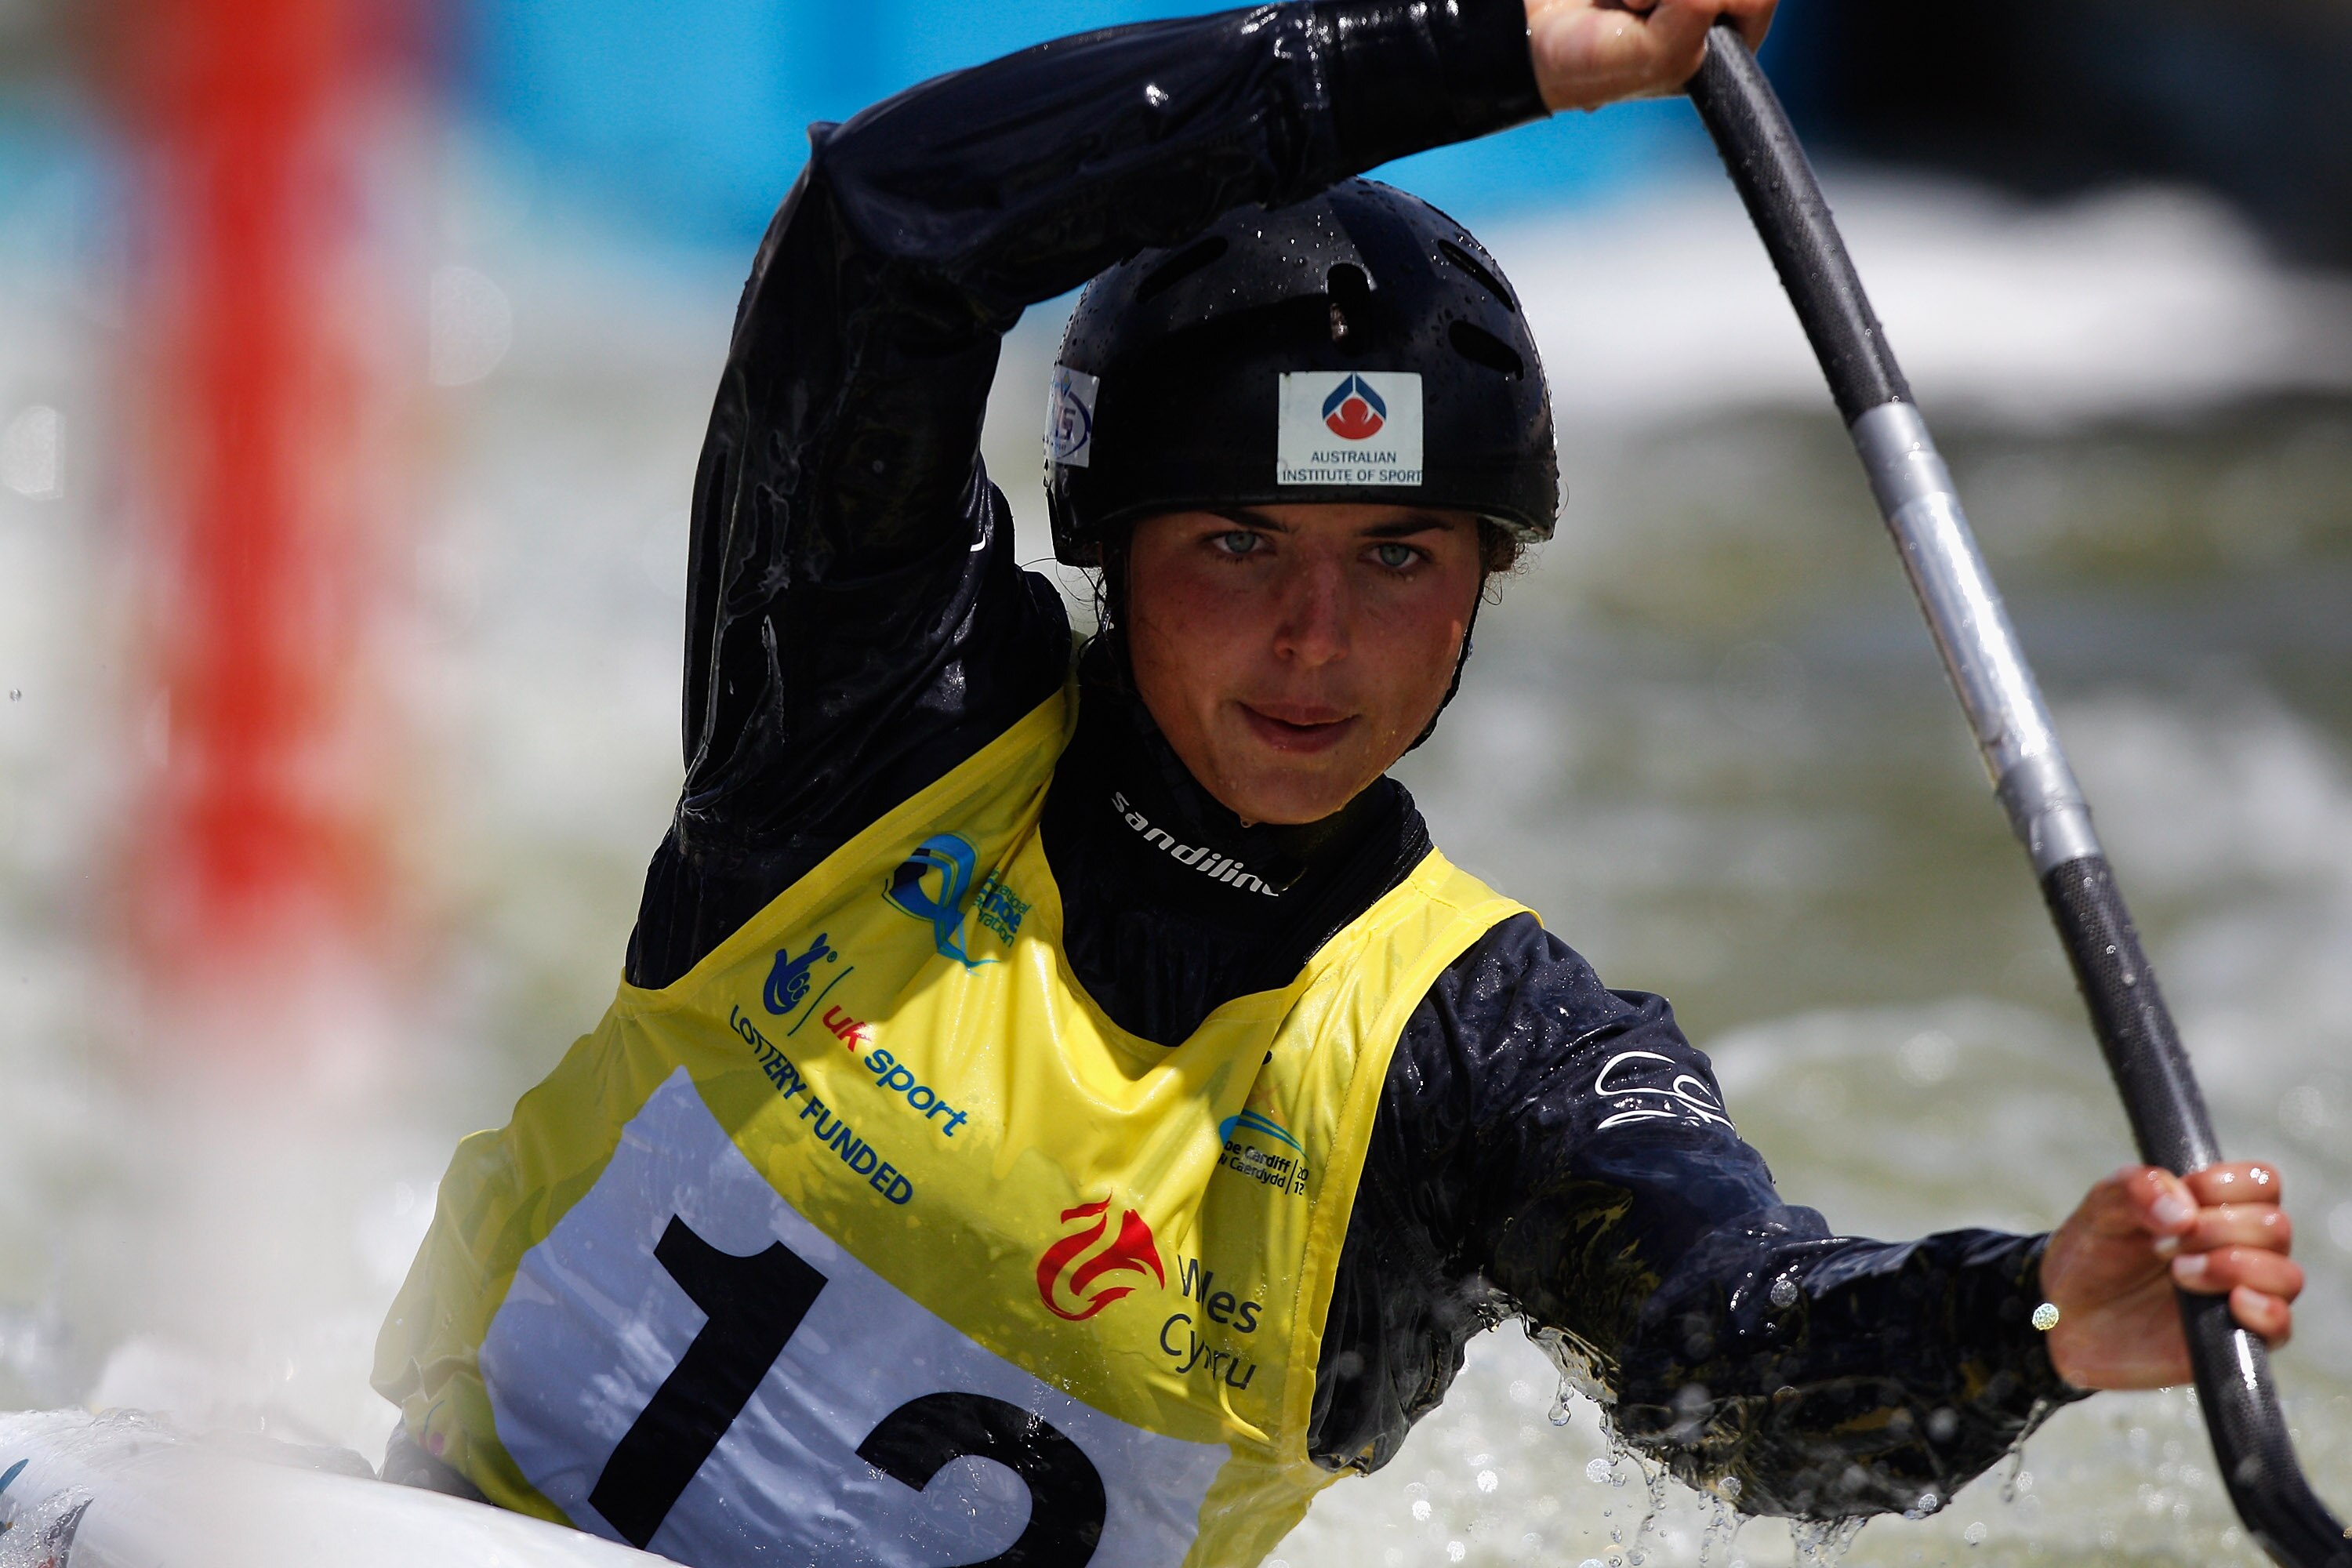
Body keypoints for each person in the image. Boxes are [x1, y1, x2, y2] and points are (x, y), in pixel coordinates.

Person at [372, 0, 2305, 1561]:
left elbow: (1738, 1360)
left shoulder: (1488, 1063)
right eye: (1236, 544)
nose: (1317, 644)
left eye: (1396, 561)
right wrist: (1470, 50)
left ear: (1478, 591)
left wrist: (2033, 1320)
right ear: (1112, 550)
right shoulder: (869, 723)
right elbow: (885, 231)